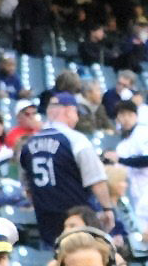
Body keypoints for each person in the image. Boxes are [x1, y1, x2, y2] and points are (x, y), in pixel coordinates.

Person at [18, 91, 110, 235]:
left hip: (46, 218)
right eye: (76, 112)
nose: (77, 117)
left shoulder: (28, 143)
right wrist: (107, 208)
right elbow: (96, 179)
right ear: (69, 111)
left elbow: (27, 186)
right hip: (77, 217)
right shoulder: (76, 140)